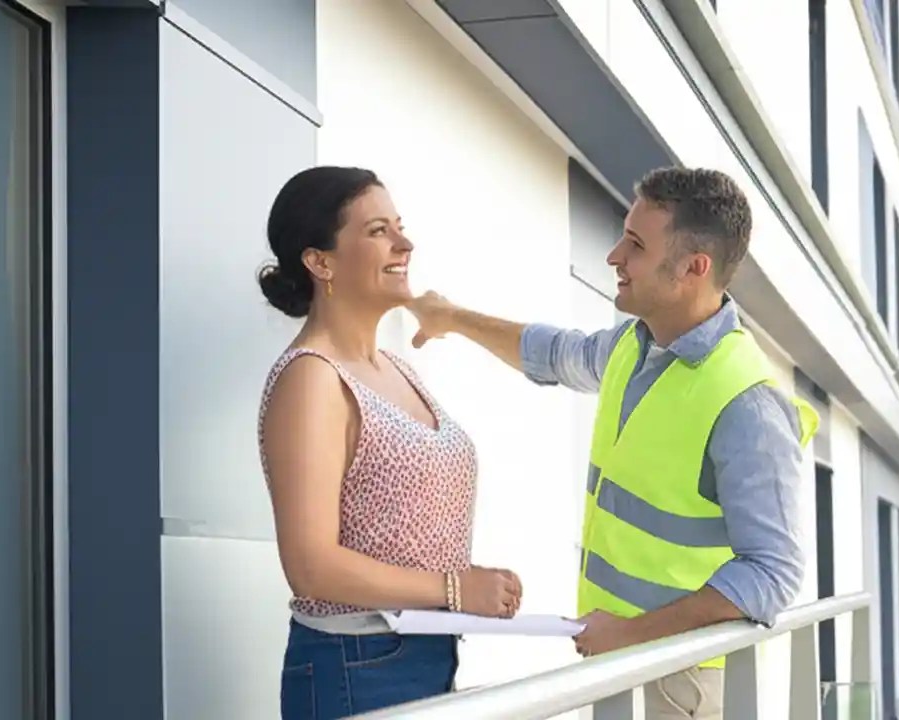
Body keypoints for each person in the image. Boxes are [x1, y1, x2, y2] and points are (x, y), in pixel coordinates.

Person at [405, 166, 818, 720]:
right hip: (624, 659)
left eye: (637, 244)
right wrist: (451, 318)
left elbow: (772, 572)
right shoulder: (635, 346)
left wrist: (632, 635)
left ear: (694, 268)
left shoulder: (748, 404)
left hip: (682, 681)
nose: (614, 256)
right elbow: (550, 353)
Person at [256, 166, 522, 720]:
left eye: (399, 227)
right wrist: (455, 589)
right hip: (355, 661)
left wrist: (467, 591)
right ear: (320, 261)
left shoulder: (398, 369)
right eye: (378, 230)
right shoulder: (312, 378)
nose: (405, 243)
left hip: (425, 654)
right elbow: (309, 565)